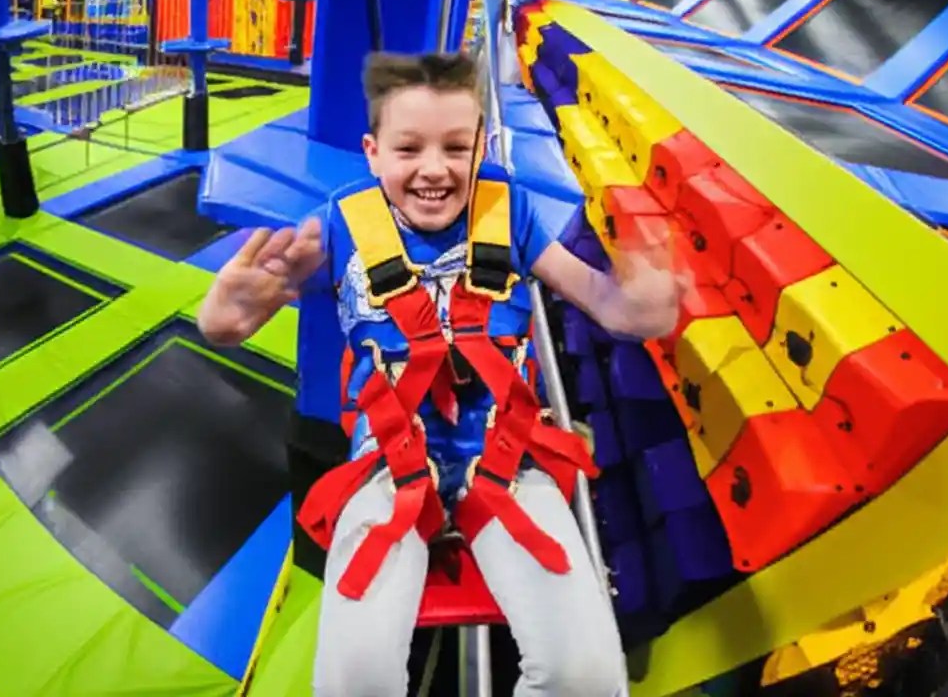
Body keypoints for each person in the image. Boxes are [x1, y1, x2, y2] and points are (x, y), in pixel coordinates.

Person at [199, 51, 685, 697]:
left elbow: (598, 296)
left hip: (507, 460)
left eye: (457, 147)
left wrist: (636, 307)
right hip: (386, 468)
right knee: (354, 680)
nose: (434, 169)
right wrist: (222, 318)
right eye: (409, 149)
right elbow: (249, 305)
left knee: (588, 677)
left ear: (481, 143)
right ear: (373, 153)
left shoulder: (509, 213)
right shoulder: (341, 226)